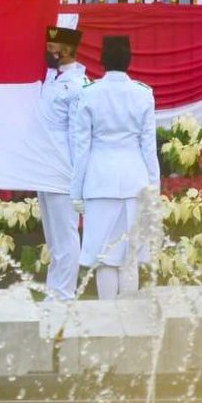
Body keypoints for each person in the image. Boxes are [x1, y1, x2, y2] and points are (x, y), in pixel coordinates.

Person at [70, 35, 160, 300]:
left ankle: (107, 317)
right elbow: (148, 149)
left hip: (100, 182)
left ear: (102, 59)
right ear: (129, 59)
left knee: (104, 258)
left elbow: (82, 149)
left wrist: (76, 192)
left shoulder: (89, 93)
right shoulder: (143, 94)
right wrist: (154, 189)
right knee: (130, 257)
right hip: (135, 182)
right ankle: (129, 319)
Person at [38, 26, 87, 301]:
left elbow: (78, 136)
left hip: (63, 169)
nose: (47, 51)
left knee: (66, 235)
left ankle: (65, 294)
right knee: (53, 238)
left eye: (52, 47)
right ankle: (53, 293)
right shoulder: (51, 79)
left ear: (66, 50)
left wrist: (78, 178)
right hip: (44, 167)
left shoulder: (77, 86)